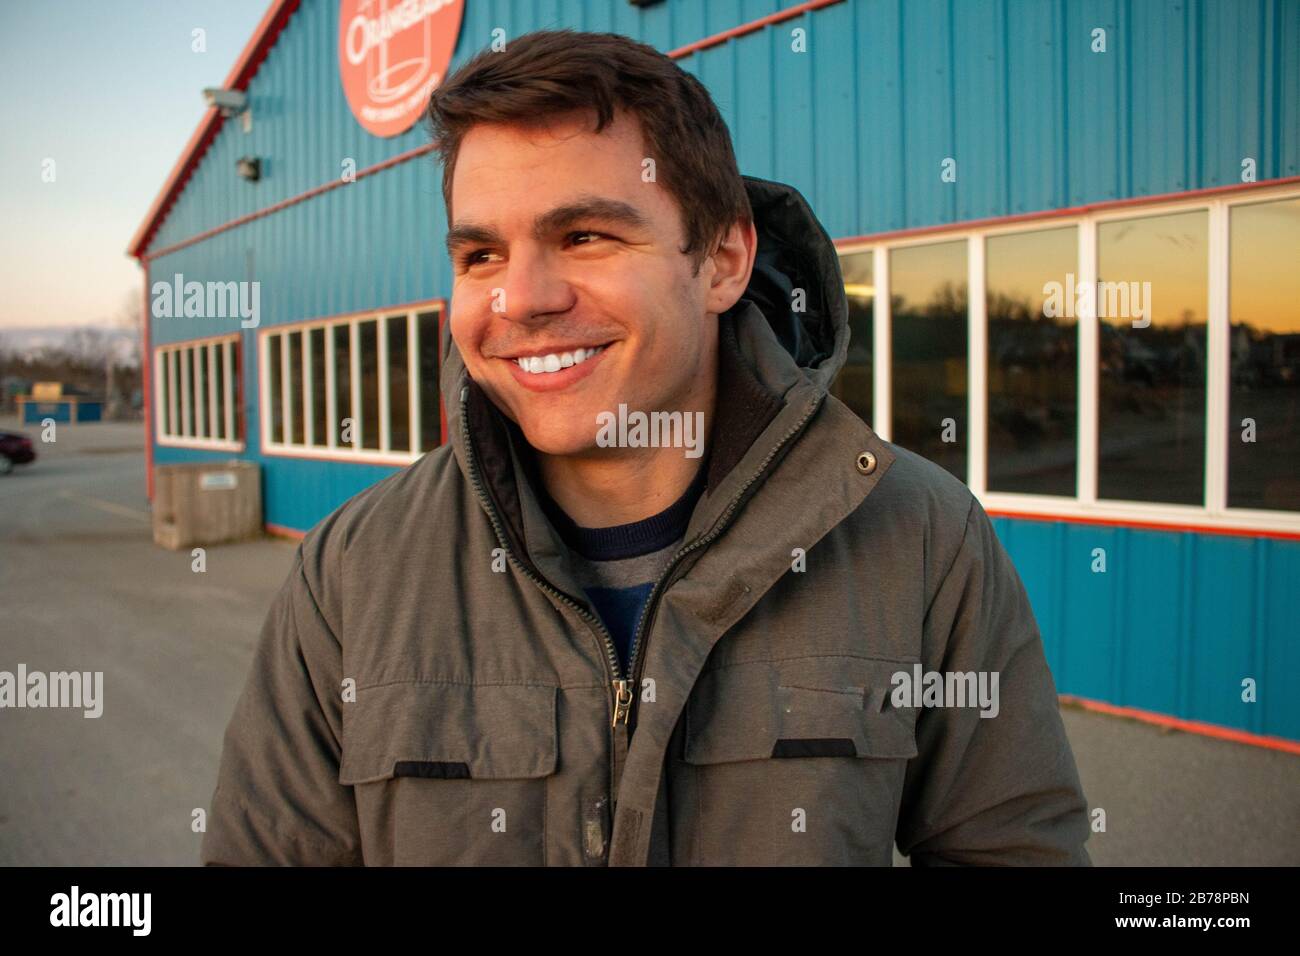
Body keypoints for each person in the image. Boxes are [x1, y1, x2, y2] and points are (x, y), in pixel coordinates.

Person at [201, 28, 1091, 866]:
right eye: (480, 255)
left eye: (583, 236)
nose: (520, 299)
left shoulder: (921, 540)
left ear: (722, 260)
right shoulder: (355, 574)